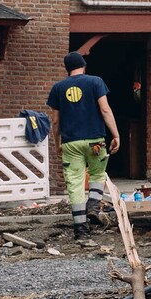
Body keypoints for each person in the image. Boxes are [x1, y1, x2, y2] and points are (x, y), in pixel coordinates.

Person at [48, 51, 118, 239]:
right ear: (84, 65)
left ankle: (81, 230)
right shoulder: (96, 82)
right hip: (96, 141)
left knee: (75, 184)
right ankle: (93, 206)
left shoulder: (58, 87)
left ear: (67, 69)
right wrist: (116, 135)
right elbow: (104, 109)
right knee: (97, 174)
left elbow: (55, 121)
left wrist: (57, 143)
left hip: (71, 143)